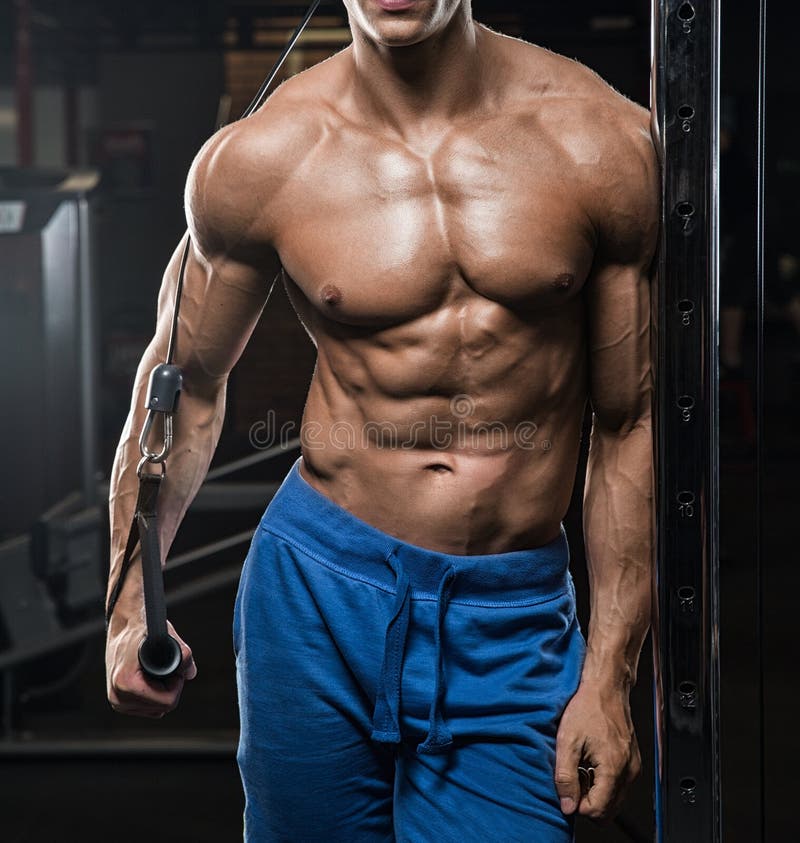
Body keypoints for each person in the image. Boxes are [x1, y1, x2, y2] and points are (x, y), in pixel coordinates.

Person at [105, 1, 658, 840]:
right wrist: (126, 607)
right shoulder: (266, 156)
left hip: (505, 618)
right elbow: (185, 387)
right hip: (316, 595)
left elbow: (631, 421)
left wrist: (612, 673)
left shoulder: (601, 143)